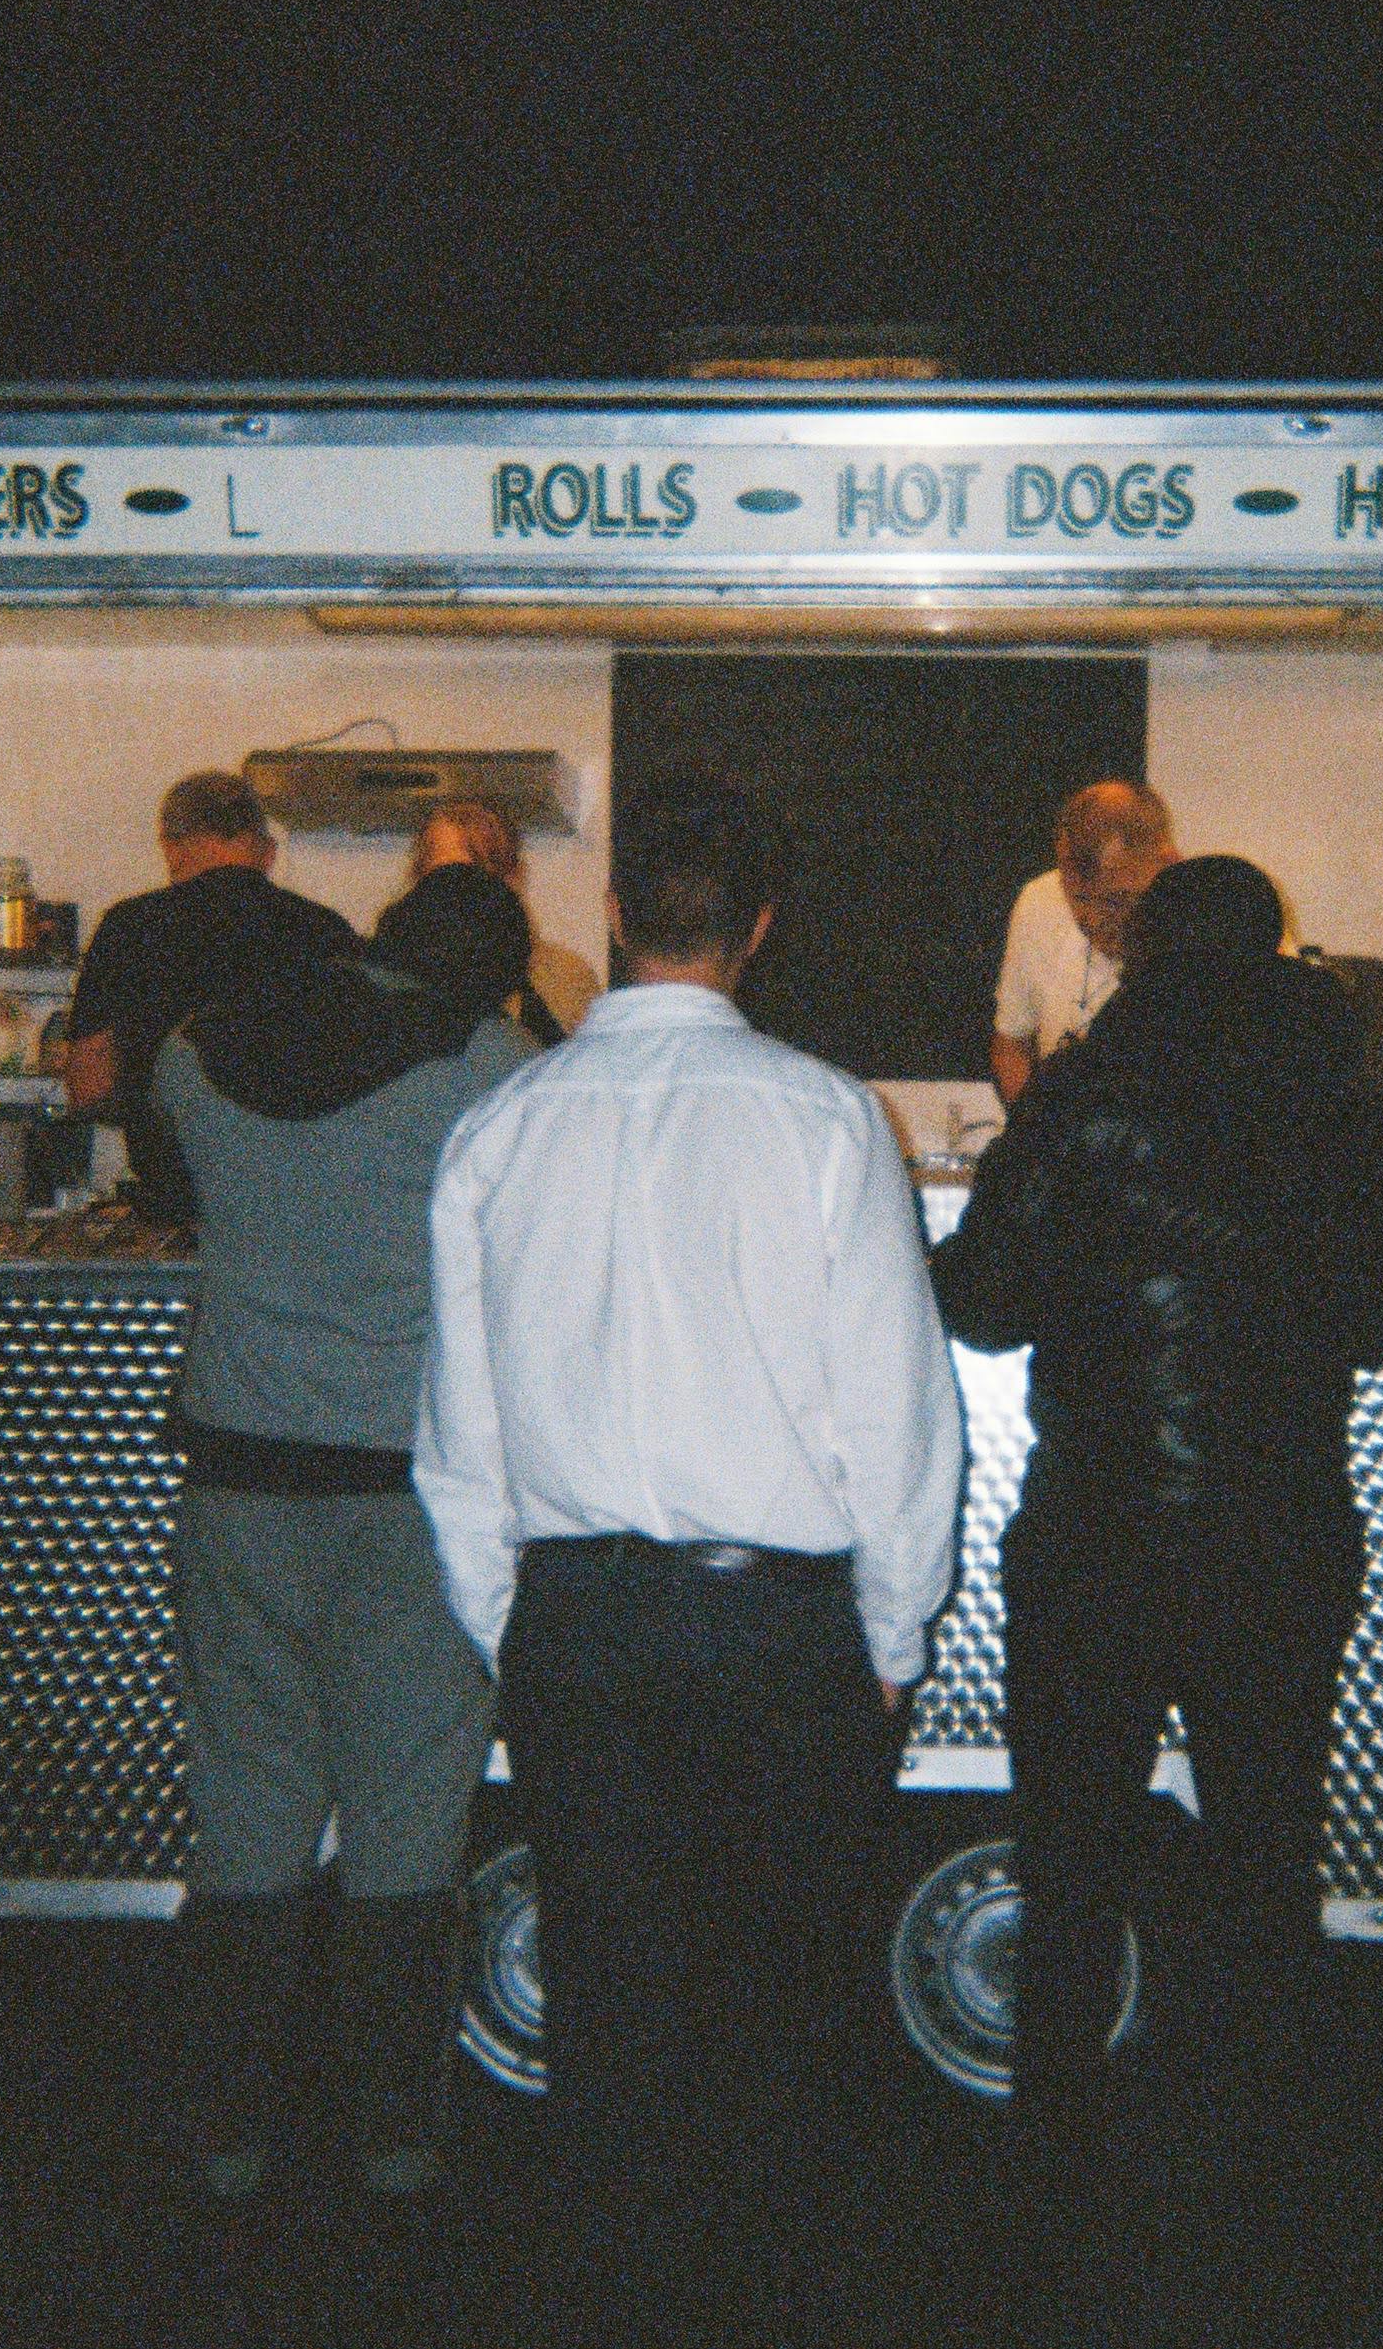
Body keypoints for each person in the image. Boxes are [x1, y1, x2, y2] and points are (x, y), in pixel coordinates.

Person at [415, 770, 964, 2336]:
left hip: (579, 1625)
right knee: (780, 2016)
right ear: (763, 930)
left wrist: (516, 1623)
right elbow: (901, 1418)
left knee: (608, 2007)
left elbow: (456, 1444)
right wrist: (891, 1637)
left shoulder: (499, 1125)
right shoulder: (823, 1118)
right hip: (781, 1632)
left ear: (606, 912)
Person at [928, 854, 1383, 2318]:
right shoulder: (1338, 1097)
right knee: (1269, 1848)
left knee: (1069, 1859)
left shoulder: (1086, 1092)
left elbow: (981, 1300)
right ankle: (1265, 2177)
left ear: (1140, 948)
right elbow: (1382, 1313)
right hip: (1278, 1530)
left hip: (1098, 1535)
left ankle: (1052, 2188)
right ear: (1272, 944)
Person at [150, 863, 542, 2212]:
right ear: (489, 972)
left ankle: (226, 2137)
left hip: (238, 1484)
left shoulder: (198, 1051)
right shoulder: (487, 1061)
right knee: (405, 1828)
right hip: (402, 1495)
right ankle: (392, 2142)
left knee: (247, 1813)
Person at [62, 768, 358, 1225]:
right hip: (297, 1205)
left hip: (173, 1202)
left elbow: (89, 1085)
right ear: (265, 850)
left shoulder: (129, 927)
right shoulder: (326, 932)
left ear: (174, 848)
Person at [987, 779, 1178, 1105]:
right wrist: (1035, 1131)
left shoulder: (1218, 913)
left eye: (1116, 899)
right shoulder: (1038, 901)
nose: (1091, 918)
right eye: (1078, 897)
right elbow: (1011, 1044)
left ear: (1164, 862)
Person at [408, 796, 602, 1041]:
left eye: (472, 875)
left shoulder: (567, 978)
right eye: (442, 875)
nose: (454, 891)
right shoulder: (391, 980)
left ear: (511, 880)